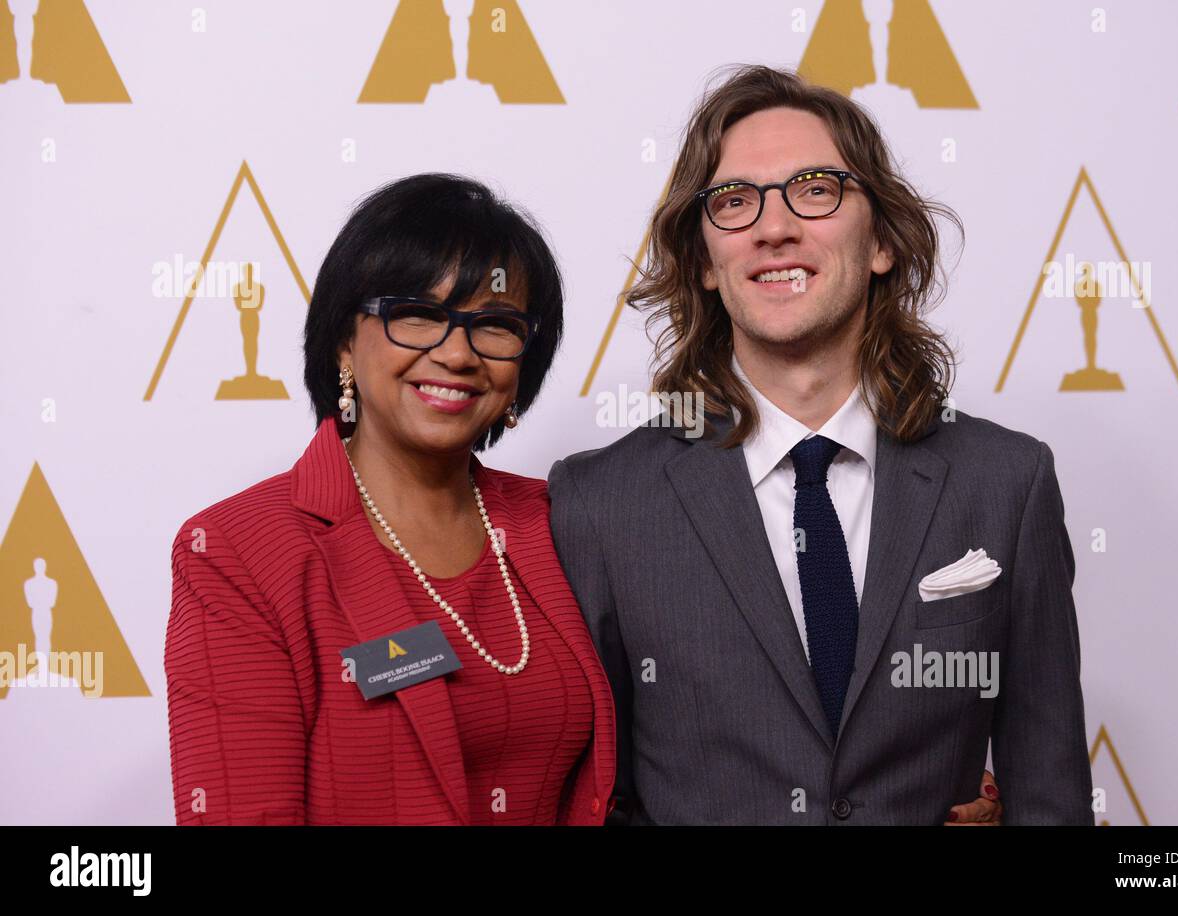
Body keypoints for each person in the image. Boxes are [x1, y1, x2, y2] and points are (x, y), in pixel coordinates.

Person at [548, 65, 1093, 825]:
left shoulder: (1007, 481)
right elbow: (591, 801)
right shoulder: (600, 503)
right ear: (704, 262)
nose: (773, 228)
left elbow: (1049, 793)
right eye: (734, 201)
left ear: (882, 242)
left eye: (815, 189)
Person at [165, 175, 615, 825]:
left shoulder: (563, 520)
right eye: (418, 315)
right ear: (344, 340)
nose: (456, 354)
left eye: (495, 325)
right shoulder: (238, 553)